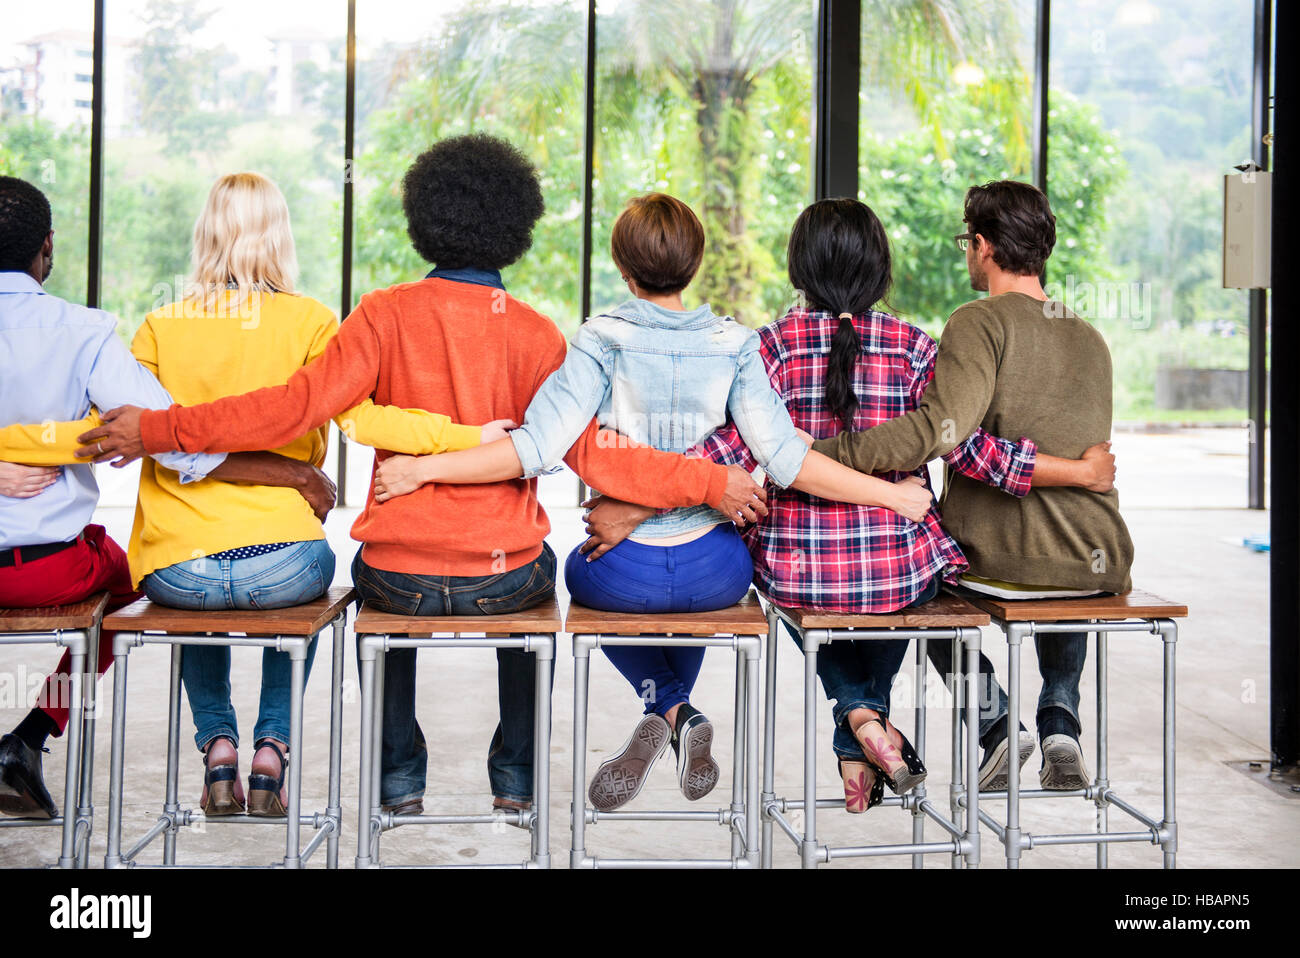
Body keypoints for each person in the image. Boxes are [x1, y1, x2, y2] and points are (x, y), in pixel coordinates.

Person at [77, 137, 769, 818]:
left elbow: (292, 407)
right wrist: (708, 485)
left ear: (423, 221)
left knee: (381, 601)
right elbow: (597, 457)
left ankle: (398, 780)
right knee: (541, 577)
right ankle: (516, 780)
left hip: (399, 572)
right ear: (515, 229)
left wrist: (160, 428)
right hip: (501, 580)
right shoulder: (536, 334)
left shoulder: (381, 314)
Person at [368, 193, 941, 812]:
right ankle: (679, 712)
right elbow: (787, 460)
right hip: (716, 570)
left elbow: (533, 448)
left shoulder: (598, 340)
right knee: (702, 589)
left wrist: (425, 469)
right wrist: (892, 495)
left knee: (571, 573)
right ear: (696, 265)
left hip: (624, 565)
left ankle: (671, 707)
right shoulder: (736, 343)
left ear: (622, 267)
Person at [579, 198, 1113, 810]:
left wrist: (639, 504)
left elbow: (723, 450)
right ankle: (883, 729)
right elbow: (965, 450)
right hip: (898, 568)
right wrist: (1072, 472)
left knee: (799, 595)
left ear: (799, 267)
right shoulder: (915, 345)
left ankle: (857, 720)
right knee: (900, 592)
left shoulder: (770, 346)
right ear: (880, 269)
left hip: (799, 570)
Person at [0, 172, 498, 816]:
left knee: (185, 599)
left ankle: (216, 747)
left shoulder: (159, 325)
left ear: (205, 235)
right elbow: (366, 420)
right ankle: (272, 749)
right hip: (285, 559)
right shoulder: (315, 323)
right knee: (317, 591)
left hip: (178, 569)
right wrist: (470, 437)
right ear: (280, 238)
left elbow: (133, 436)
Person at [809, 180, 1133, 791]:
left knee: (924, 592)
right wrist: (1080, 474)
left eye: (967, 242)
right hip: (1100, 561)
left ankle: (998, 723)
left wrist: (821, 457)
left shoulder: (977, 322)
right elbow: (1079, 457)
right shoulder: (1091, 338)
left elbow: (940, 432)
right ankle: (1060, 715)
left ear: (982, 246)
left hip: (1000, 559)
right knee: (1068, 569)